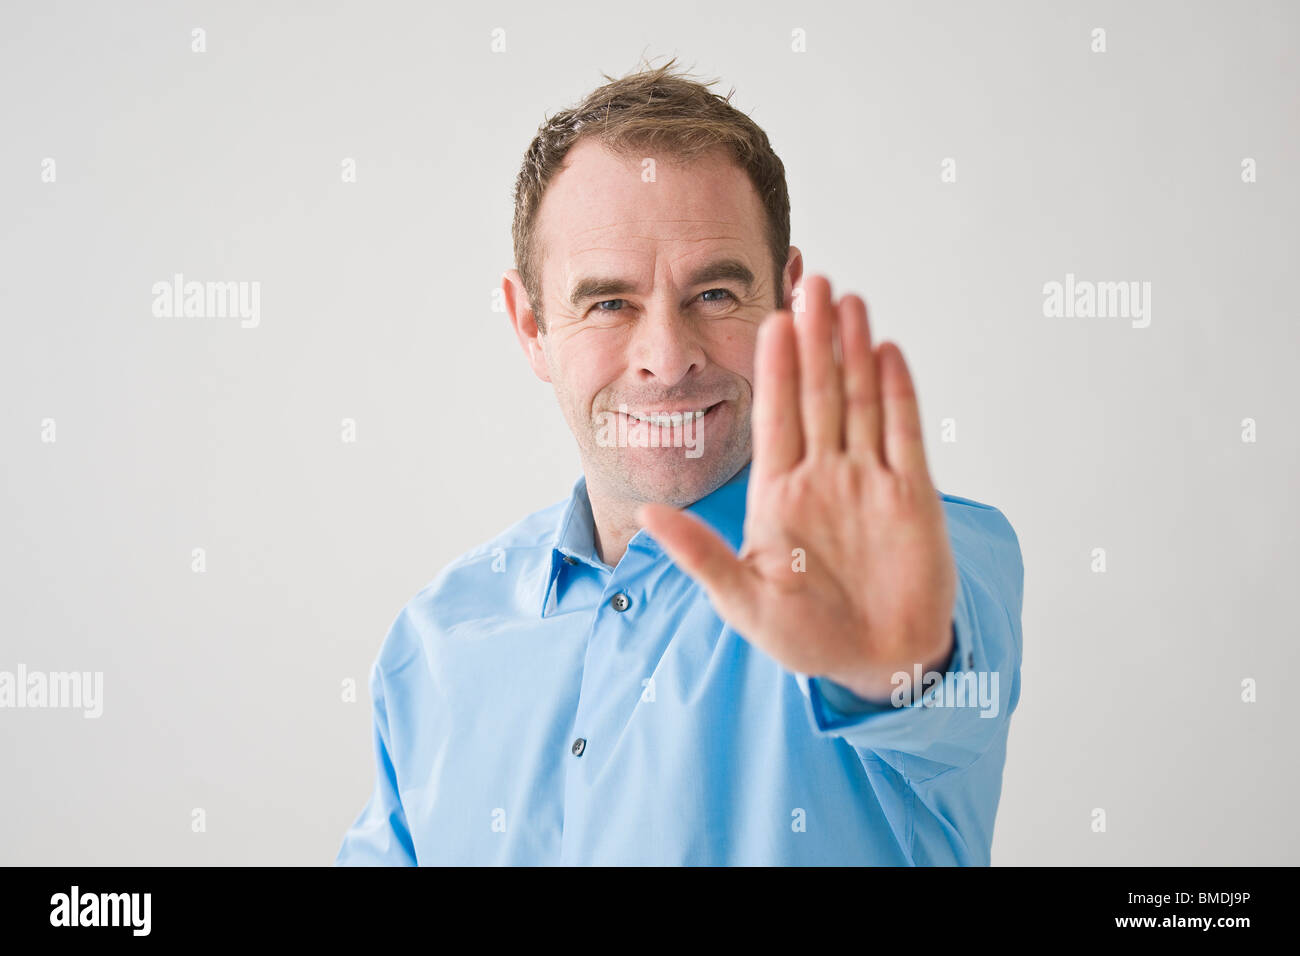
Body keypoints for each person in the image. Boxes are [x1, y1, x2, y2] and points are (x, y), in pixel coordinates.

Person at [335, 59, 1023, 865]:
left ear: (785, 298)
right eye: (609, 303)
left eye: (717, 295)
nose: (667, 356)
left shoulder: (913, 559)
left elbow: (932, 676)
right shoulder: (438, 638)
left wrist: (890, 667)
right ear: (531, 326)